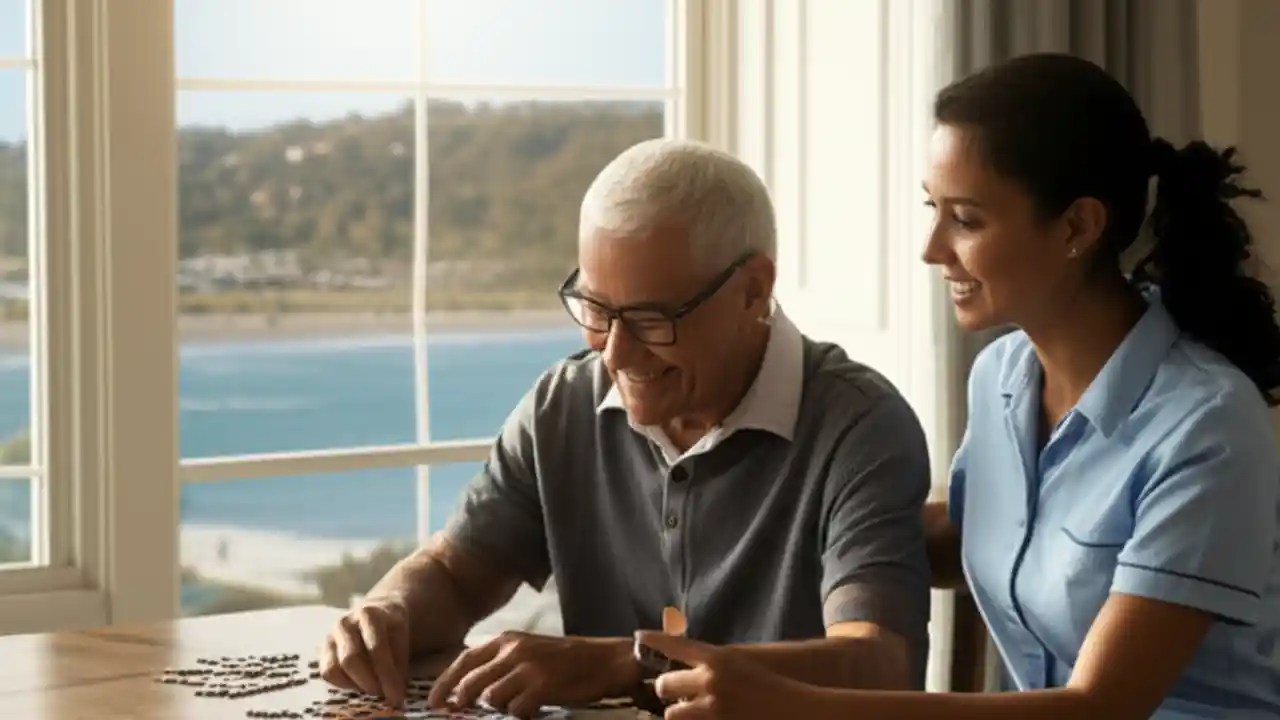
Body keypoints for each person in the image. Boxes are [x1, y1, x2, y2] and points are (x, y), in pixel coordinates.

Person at [634, 53, 1280, 719]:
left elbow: (1099, 708)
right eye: (931, 208)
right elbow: (978, 535)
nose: (931, 248)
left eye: (966, 219)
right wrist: (784, 524)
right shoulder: (1002, 377)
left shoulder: (1206, 428)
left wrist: (791, 703)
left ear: (1077, 228)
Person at [318, 138, 934, 716]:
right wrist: (388, 610)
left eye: (650, 319)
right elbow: (456, 575)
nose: (614, 353)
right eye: (596, 309)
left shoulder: (860, 427)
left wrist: (630, 664)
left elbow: (879, 664)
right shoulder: (561, 406)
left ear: (753, 290)